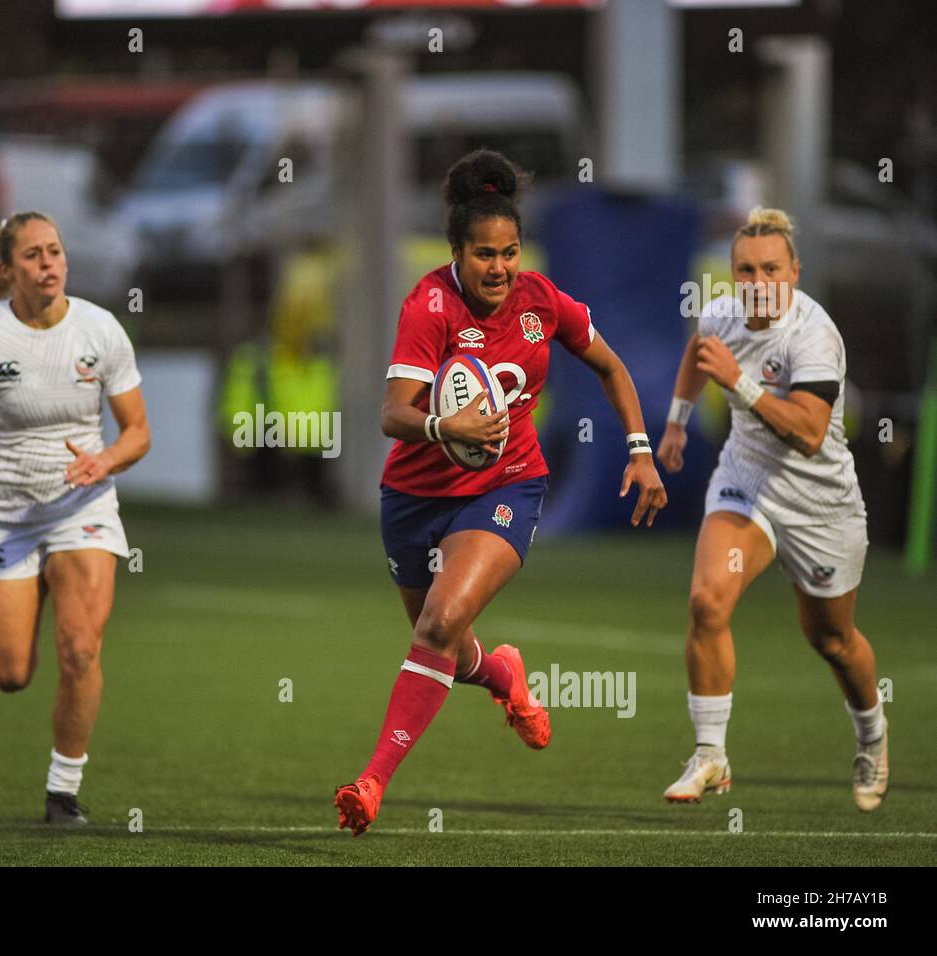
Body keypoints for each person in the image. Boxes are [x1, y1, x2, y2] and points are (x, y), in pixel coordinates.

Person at [334, 150, 668, 836]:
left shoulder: (543, 301)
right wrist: (443, 423)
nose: (500, 267)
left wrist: (641, 452)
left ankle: (371, 783)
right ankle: (503, 672)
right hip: (412, 500)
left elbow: (610, 366)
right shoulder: (427, 306)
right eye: (484, 253)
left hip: (506, 488)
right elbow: (391, 414)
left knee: (437, 623)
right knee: (449, 651)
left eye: (510, 252)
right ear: (456, 251)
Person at [657, 207, 887, 811]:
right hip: (747, 484)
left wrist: (741, 384)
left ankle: (872, 738)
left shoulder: (814, 335)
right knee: (708, 601)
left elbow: (809, 434)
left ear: (794, 272)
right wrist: (677, 425)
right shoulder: (723, 315)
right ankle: (710, 755)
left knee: (832, 640)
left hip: (820, 505)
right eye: (745, 269)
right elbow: (697, 353)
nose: (758, 280)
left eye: (771, 268)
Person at [0, 211, 151, 828]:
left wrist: (104, 459)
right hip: (2, 516)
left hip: (82, 508)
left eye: (55, 251)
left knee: (80, 648)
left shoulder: (99, 330)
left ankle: (62, 793)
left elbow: (138, 432)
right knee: (9, 673)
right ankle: (24, 597)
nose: (49, 263)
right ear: (8, 270)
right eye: (33, 255)